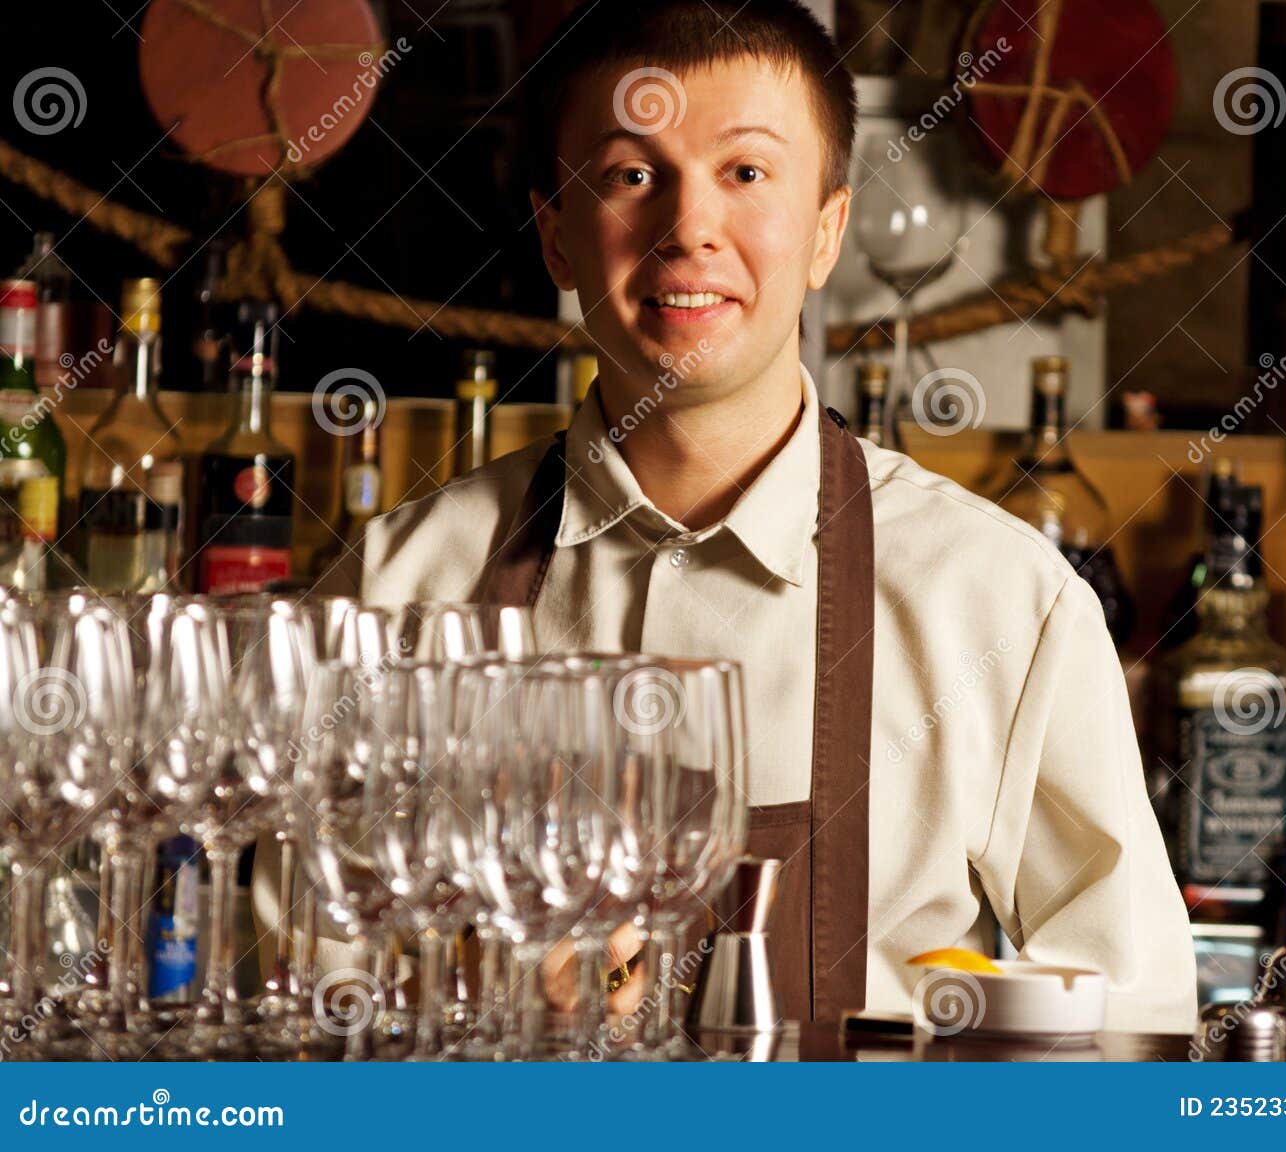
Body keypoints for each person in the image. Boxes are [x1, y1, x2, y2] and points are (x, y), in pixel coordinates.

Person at [281, 0, 1196, 1034]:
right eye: (633, 176)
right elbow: (275, 985)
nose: (689, 229)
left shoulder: (1002, 604)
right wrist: (468, 1001)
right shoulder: (394, 590)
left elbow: (1129, 1031)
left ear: (824, 233)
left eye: (746, 173)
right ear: (556, 238)